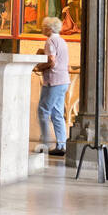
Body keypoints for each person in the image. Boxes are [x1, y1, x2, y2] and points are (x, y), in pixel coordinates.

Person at [35, 16, 70, 158]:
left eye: (44, 27)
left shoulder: (50, 41)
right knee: (57, 114)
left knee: (43, 111)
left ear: (49, 28)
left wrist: (39, 67)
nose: (42, 29)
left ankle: (45, 144)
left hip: (53, 81)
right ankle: (61, 145)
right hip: (64, 81)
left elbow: (52, 62)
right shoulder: (62, 41)